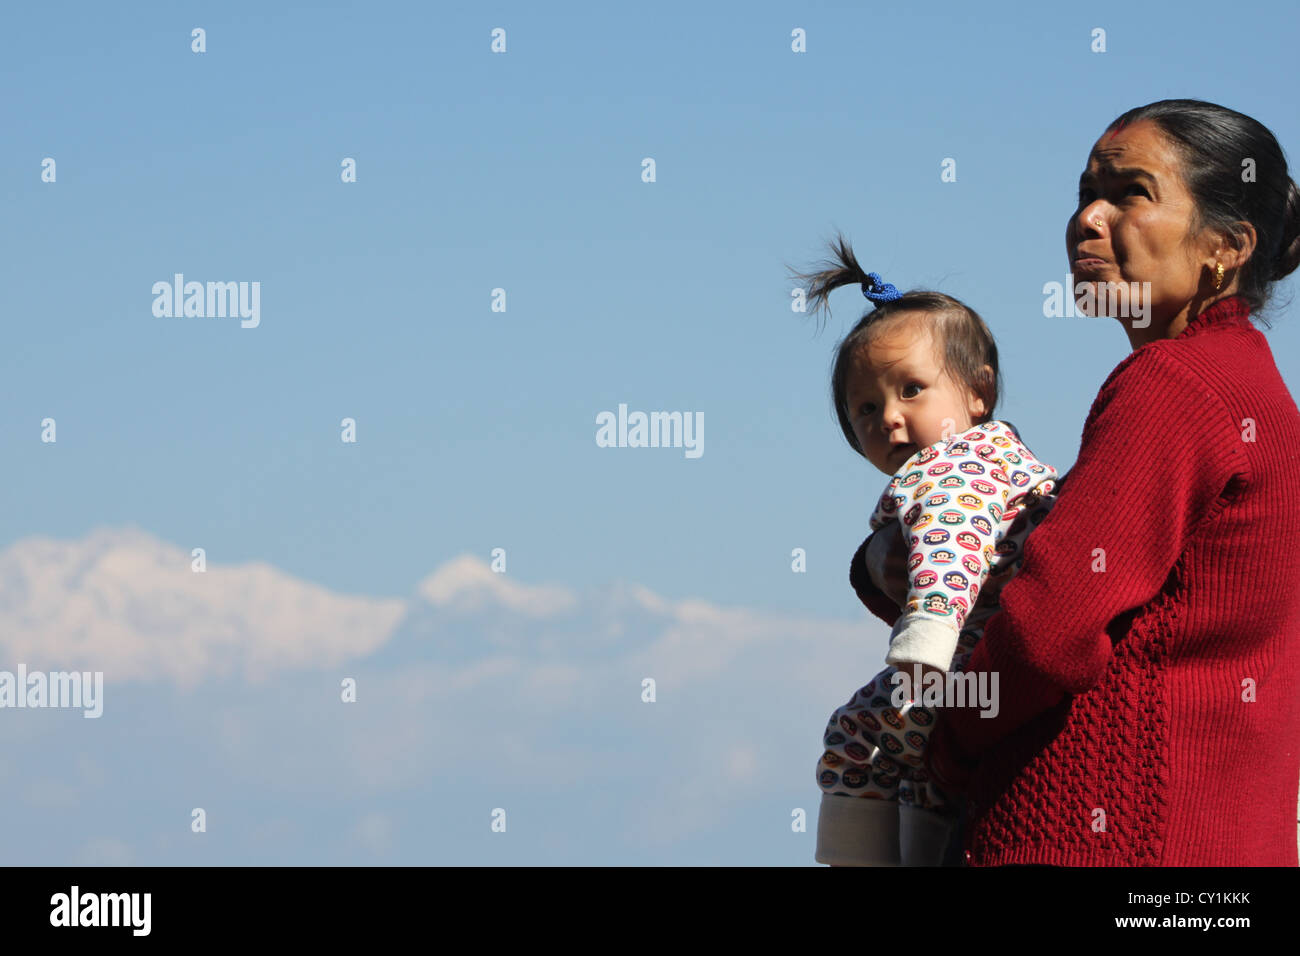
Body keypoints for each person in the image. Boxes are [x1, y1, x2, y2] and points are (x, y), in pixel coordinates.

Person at [862, 99, 1300, 866]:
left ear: (1227, 245)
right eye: (1084, 194)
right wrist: (879, 565)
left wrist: (951, 742)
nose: (1088, 219)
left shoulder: (1175, 384)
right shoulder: (1254, 393)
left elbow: (1046, 628)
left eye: (1131, 192)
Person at [788, 244, 1060, 864]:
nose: (888, 417)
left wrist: (923, 648)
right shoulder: (1005, 463)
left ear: (978, 391)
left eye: (912, 390)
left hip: (954, 664)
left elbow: (949, 549)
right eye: (865, 408)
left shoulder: (946, 471)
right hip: (995, 662)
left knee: (858, 735)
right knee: (923, 774)